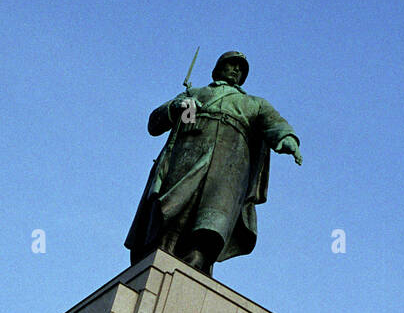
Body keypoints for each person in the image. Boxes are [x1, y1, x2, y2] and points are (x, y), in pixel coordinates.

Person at [125, 51, 301, 275]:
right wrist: (178, 106)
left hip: (228, 166)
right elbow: (155, 123)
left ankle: (198, 259)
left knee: (214, 216)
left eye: (241, 68)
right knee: (171, 208)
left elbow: (275, 124)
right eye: (231, 65)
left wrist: (287, 139)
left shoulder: (254, 104)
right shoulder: (196, 92)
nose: (236, 70)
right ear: (217, 68)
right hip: (188, 156)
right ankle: (162, 249)